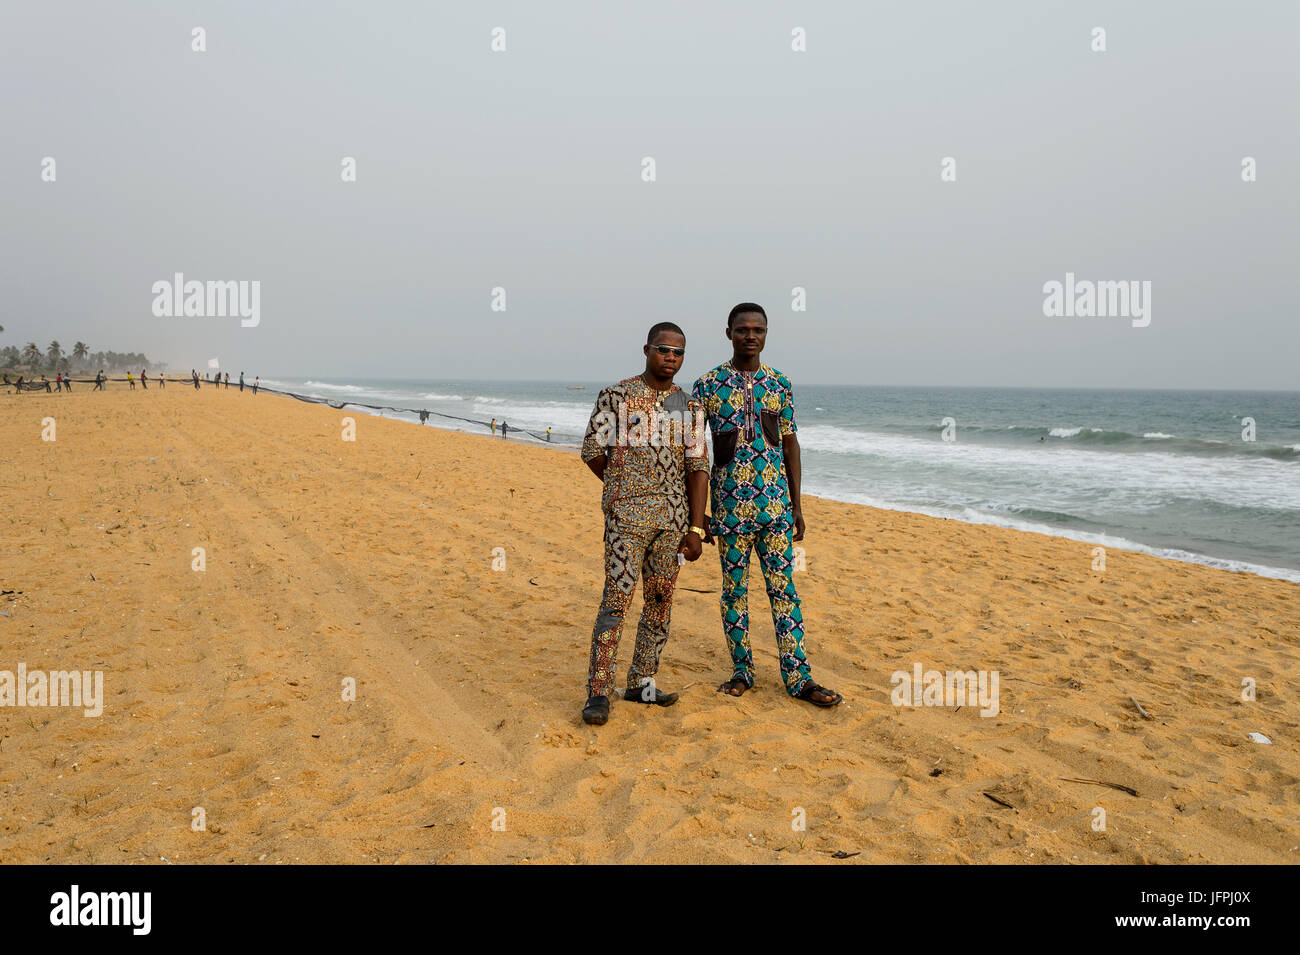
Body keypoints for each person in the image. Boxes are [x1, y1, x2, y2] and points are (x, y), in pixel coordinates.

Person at [692, 303, 842, 707]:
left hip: (775, 510)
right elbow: (691, 452)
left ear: (766, 334)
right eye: (742, 329)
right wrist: (697, 515)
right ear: (729, 333)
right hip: (729, 512)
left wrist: (797, 505)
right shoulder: (707, 384)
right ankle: (742, 673)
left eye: (758, 329)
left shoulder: (780, 384)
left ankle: (799, 680)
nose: (750, 335)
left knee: (785, 593)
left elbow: (790, 443)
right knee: (734, 595)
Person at [578, 321, 710, 726]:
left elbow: (698, 466)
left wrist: (695, 527)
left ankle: (641, 683)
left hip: (671, 523)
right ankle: (599, 691)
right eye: (663, 349)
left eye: (678, 352)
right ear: (647, 350)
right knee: (615, 602)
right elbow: (591, 450)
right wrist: (622, 488)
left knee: (659, 603)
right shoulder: (617, 396)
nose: (670, 358)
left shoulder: (690, 406)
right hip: (627, 520)